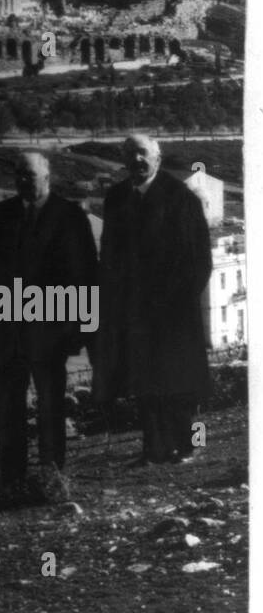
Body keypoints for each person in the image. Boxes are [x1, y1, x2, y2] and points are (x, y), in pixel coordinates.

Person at [0, 152, 98, 505]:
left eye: (30, 175)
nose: (23, 181)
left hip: (49, 328)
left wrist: (81, 328)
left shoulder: (70, 216)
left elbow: (86, 274)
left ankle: (52, 477)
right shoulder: (4, 213)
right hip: (8, 328)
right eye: (18, 175)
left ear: (47, 177)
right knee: (8, 406)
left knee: (50, 406)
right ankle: (12, 479)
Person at [92, 135, 212, 464]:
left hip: (174, 310)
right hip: (134, 309)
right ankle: (153, 448)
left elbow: (200, 258)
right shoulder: (116, 198)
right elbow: (110, 256)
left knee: (176, 380)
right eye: (130, 155)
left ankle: (188, 446)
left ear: (157, 159)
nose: (137, 160)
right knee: (143, 380)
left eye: (143, 153)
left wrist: (180, 300)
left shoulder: (180, 198)